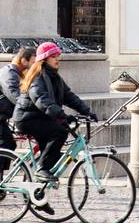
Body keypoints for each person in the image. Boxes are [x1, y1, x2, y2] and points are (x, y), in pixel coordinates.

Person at [13, 41, 97, 208]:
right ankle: (41, 169)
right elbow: (41, 100)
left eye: (58, 55)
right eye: (54, 56)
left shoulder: (55, 76)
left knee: (53, 151)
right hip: (27, 118)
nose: (58, 58)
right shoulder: (38, 76)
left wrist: (86, 111)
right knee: (58, 132)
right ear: (45, 59)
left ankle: (38, 196)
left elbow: (68, 96)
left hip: (40, 117)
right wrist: (61, 115)